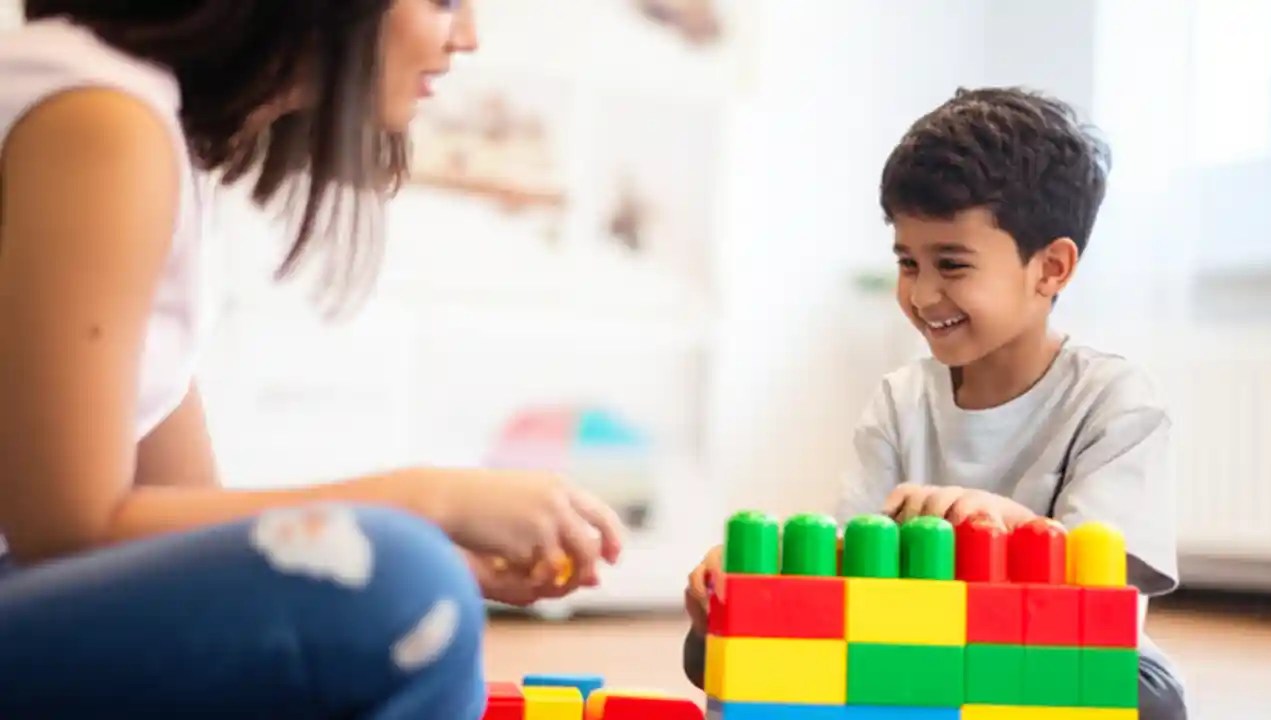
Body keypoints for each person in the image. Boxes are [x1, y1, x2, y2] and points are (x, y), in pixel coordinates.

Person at [0, 2, 627, 718]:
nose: (468, 36)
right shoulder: (102, 118)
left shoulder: (149, 129)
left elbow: (180, 524)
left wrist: (444, 553)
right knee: (402, 585)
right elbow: (69, 529)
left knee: (406, 580)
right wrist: (431, 501)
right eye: (443, 1)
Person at [680, 87, 1188, 719]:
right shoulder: (901, 399)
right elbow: (847, 555)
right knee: (711, 652)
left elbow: (1103, 581)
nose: (922, 296)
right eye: (906, 262)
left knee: (1149, 700)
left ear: (1051, 268)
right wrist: (750, 582)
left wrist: (1002, 524)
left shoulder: (1115, 401)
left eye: (951, 265)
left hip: (1055, 654)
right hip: (918, 644)